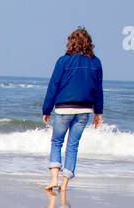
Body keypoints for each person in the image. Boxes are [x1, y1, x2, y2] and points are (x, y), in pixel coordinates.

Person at [42, 27, 104, 196]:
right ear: (89, 44)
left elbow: (53, 85)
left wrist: (46, 109)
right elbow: (99, 89)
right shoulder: (96, 62)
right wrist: (99, 112)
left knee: (56, 142)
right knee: (73, 146)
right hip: (84, 109)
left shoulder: (63, 61)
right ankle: (65, 183)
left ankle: (54, 179)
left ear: (71, 43)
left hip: (63, 108)